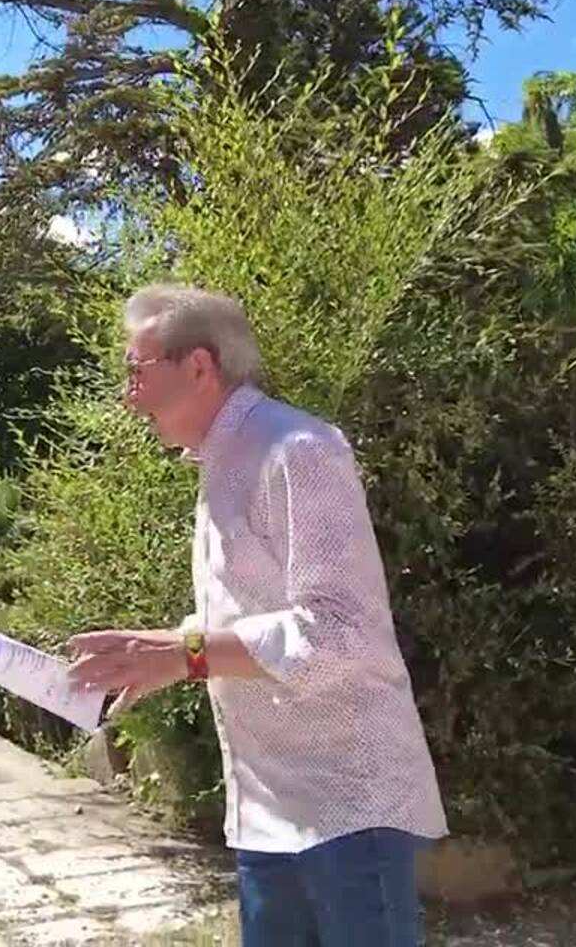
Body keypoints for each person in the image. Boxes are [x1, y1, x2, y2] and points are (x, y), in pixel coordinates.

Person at [67, 283, 447, 947]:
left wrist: (188, 656)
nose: (130, 396)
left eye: (137, 370)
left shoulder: (298, 450)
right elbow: (256, 617)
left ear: (199, 366)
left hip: (349, 811)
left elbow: (340, 630)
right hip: (268, 814)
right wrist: (158, 652)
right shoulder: (224, 462)